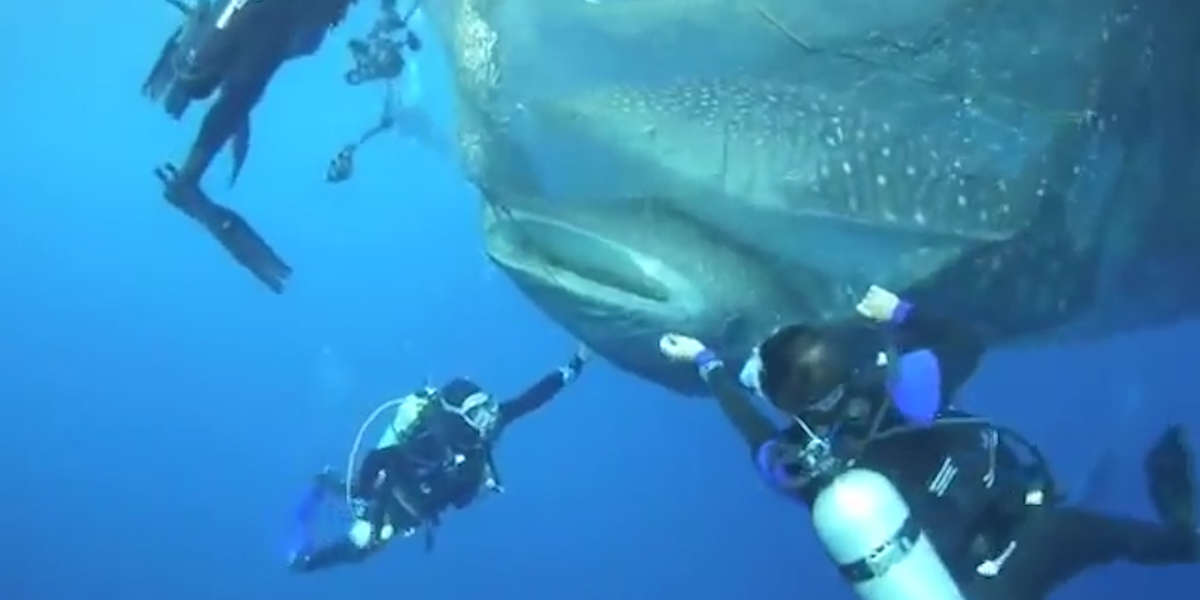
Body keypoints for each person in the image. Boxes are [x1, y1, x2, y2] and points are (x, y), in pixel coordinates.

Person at [658, 285, 1197, 600]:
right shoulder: (911, 384)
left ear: (787, 403)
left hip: (969, 590)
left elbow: (752, 432)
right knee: (1141, 540)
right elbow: (965, 339)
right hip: (1041, 532)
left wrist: (708, 366)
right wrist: (898, 312)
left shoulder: (813, 470)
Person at [289, 346, 591, 572]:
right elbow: (381, 458)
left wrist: (575, 365)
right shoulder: (432, 439)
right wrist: (371, 510)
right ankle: (306, 559)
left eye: (487, 407)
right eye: (477, 413)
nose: (488, 418)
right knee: (361, 544)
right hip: (393, 497)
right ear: (458, 416)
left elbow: (532, 399)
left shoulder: (491, 424)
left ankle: (335, 488)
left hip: (423, 501)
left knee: (367, 534)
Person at [142, 0, 362, 292]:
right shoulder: (270, 32)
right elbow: (237, 93)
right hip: (234, 43)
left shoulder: (262, 34)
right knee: (235, 81)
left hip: (218, 48)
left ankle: (188, 175)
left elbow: (232, 93)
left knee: (225, 81)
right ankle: (188, 181)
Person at [326, 0, 424, 184]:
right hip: (388, 54)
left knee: (387, 20)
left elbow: (354, 45)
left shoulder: (364, 56)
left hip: (383, 43)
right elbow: (385, 118)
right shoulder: (383, 75)